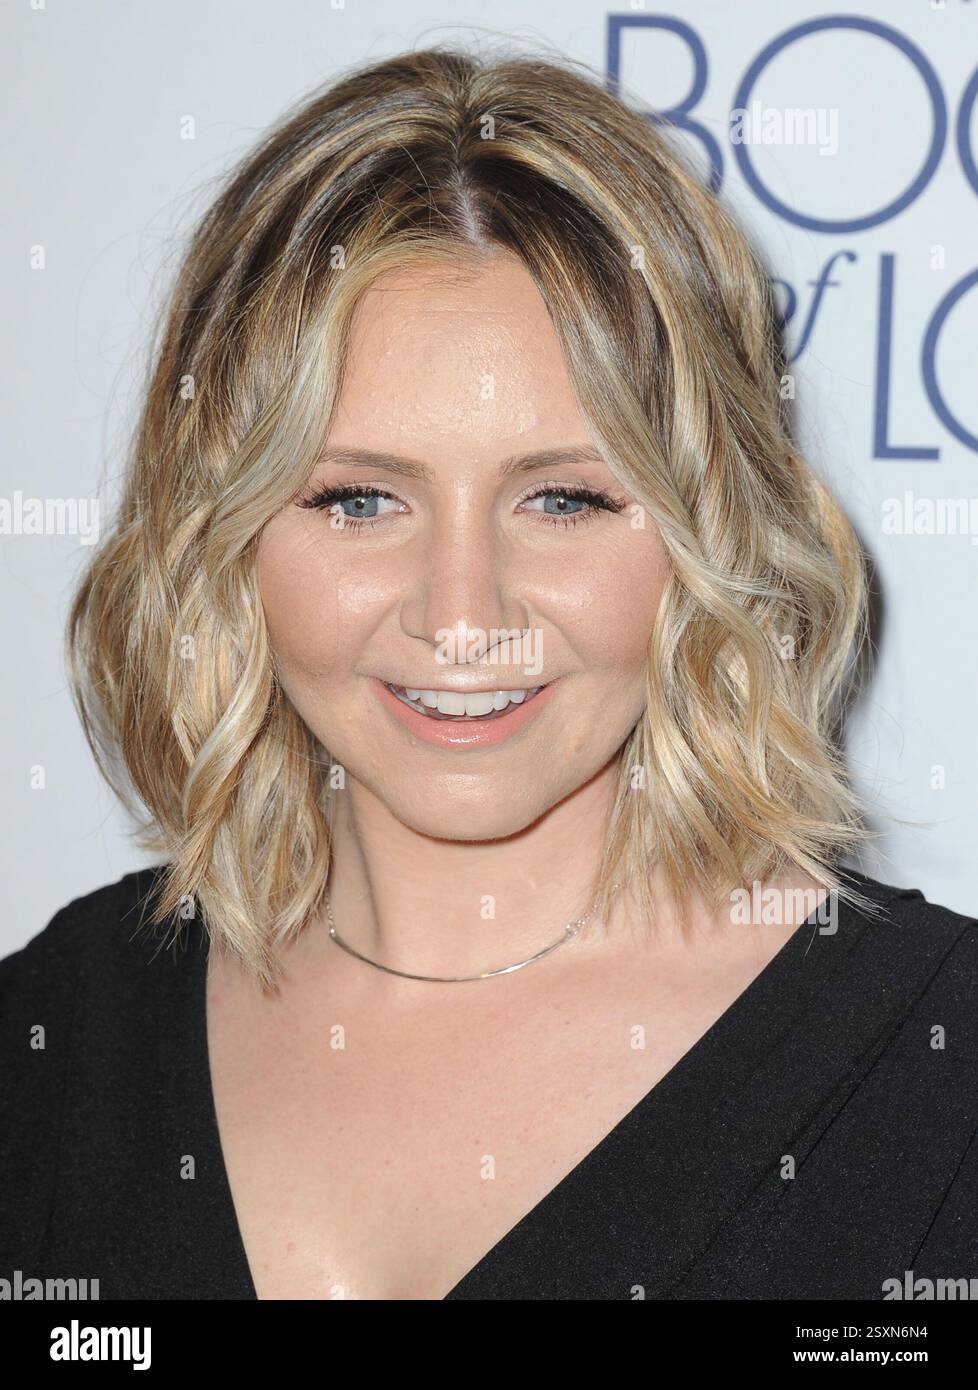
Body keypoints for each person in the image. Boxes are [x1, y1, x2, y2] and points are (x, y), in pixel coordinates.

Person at [2, 46, 976, 1303]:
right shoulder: (54, 1040)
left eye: (564, 498)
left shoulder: (938, 1078)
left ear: (707, 532)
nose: (464, 615)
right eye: (358, 499)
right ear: (223, 530)